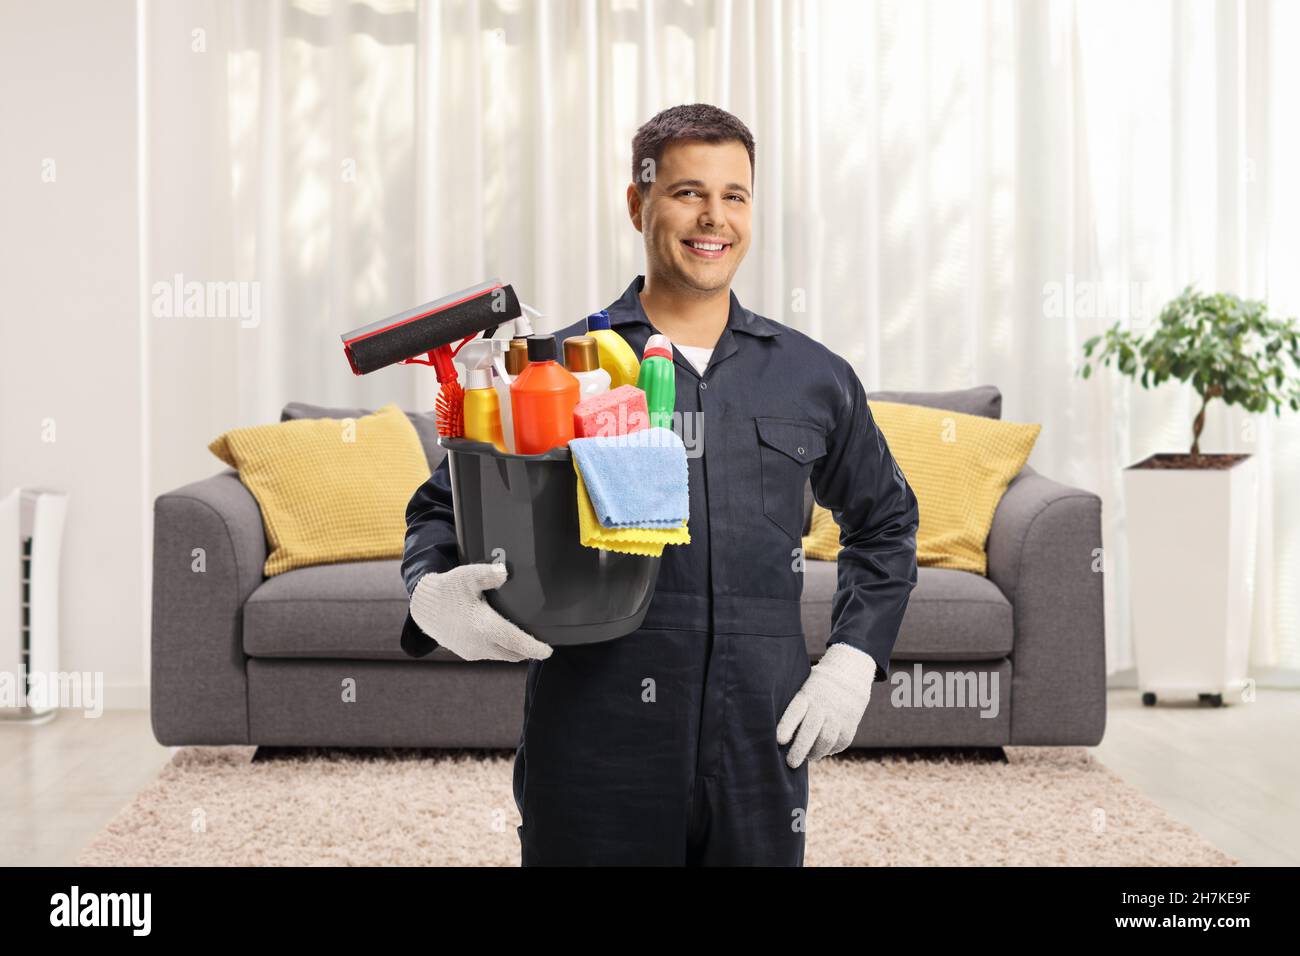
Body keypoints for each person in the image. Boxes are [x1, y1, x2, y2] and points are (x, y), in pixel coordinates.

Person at [400, 103, 919, 866]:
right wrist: (433, 594)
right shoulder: (559, 367)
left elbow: (886, 522)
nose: (714, 218)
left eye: (734, 195)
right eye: (687, 192)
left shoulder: (813, 377)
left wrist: (852, 661)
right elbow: (444, 507)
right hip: (594, 742)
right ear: (638, 203)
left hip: (760, 743)